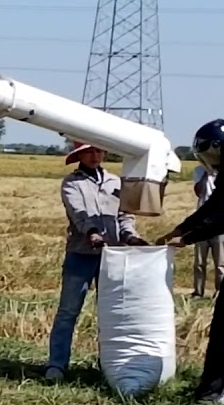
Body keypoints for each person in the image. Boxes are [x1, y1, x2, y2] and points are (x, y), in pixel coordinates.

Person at [44, 141, 148, 383]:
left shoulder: (115, 182)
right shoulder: (72, 183)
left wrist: (128, 235)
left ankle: (109, 366)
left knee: (110, 314)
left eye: (99, 150)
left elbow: (124, 214)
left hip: (112, 257)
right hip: (81, 254)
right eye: (90, 151)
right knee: (68, 311)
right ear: (80, 154)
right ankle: (56, 365)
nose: (95, 155)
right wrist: (91, 232)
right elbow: (78, 212)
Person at [157, 118, 224, 403]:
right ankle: (215, 389)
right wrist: (181, 228)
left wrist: (188, 239)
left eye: (209, 153)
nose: (208, 159)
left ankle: (211, 393)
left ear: (219, 148)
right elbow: (213, 206)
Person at [191, 163, 224, 297]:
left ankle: (220, 291)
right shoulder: (199, 170)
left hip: (221, 225)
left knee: (220, 263)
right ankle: (198, 291)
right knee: (199, 262)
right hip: (202, 224)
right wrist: (206, 174)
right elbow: (198, 191)